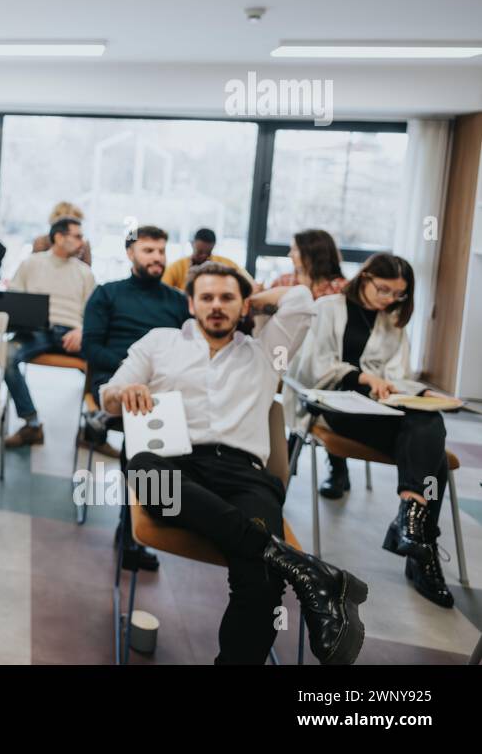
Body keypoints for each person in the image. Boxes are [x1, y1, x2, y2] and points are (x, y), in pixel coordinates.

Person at [110, 262, 367, 665]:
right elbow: (111, 392)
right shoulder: (161, 341)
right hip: (174, 464)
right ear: (190, 302)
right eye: (207, 297)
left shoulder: (268, 349)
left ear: (243, 305)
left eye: (227, 298)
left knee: (261, 581)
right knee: (143, 468)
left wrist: (254, 299)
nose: (216, 306)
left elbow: (301, 300)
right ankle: (302, 568)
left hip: (244, 475)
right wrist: (129, 390)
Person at [287, 253, 456, 608]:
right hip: (334, 404)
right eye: (384, 290)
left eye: (399, 294)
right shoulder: (329, 307)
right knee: (431, 450)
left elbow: (398, 373)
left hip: (380, 409)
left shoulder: (392, 318)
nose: (390, 300)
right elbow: (313, 366)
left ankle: (413, 521)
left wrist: (411, 390)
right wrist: (365, 377)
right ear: (364, 278)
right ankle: (422, 556)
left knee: (427, 420)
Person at [82, 225, 191, 571]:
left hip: (163, 383)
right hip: (117, 378)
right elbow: (91, 348)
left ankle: (145, 517)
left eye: (161, 251)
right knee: (145, 418)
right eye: (148, 251)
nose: (157, 258)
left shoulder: (177, 301)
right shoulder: (107, 294)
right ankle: (133, 529)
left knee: (165, 416)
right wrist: (135, 371)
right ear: (130, 253)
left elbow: (191, 350)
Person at [265, 229, 350, 497]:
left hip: (322, 363)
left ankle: (334, 467)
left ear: (311, 253)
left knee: (323, 385)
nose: (290, 254)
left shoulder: (340, 289)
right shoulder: (283, 281)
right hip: (284, 357)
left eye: (295, 249)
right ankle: (274, 461)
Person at [2, 216, 97, 448]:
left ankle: (95, 431)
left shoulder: (85, 272)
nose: (82, 242)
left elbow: (95, 315)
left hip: (73, 332)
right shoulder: (31, 264)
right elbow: (14, 298)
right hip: (37, 331)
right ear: (58, 237)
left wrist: (83, 331)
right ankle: (32, 424)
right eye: (77, 236)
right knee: (5, 356)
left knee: (104, 360)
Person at [161, 227, 250, 291]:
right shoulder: (177, 266)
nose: (203, 256)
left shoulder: (225, 263)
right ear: (192, 244)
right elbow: (162, 289)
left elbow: (249, 282)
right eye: (199, 252)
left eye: (208, 253)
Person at [32, 201, 93, 266]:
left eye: (77, 222)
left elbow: (86, 272)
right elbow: (35, 269)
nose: (76, 225)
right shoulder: (41, 242)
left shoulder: (84, 245)